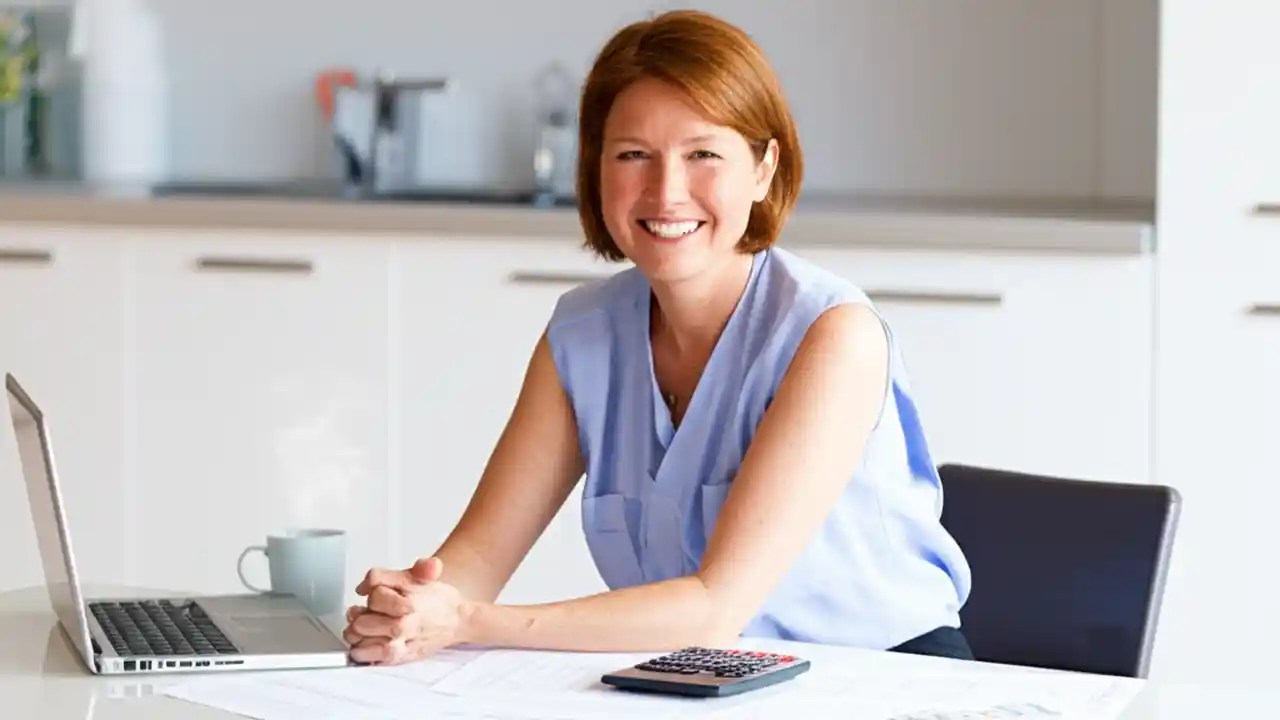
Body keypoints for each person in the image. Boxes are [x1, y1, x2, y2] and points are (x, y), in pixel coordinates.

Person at [343, 9, 973, 666]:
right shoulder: (581, 337)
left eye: (703, 154)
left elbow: (714, 606)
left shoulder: (833, 336)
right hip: (708, 681)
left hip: (889, 678)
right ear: (596, 169)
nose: (666, 191)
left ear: (762, 169)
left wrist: (470, 621)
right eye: (633, 155)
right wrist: (412, 608)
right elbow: (474, 560)